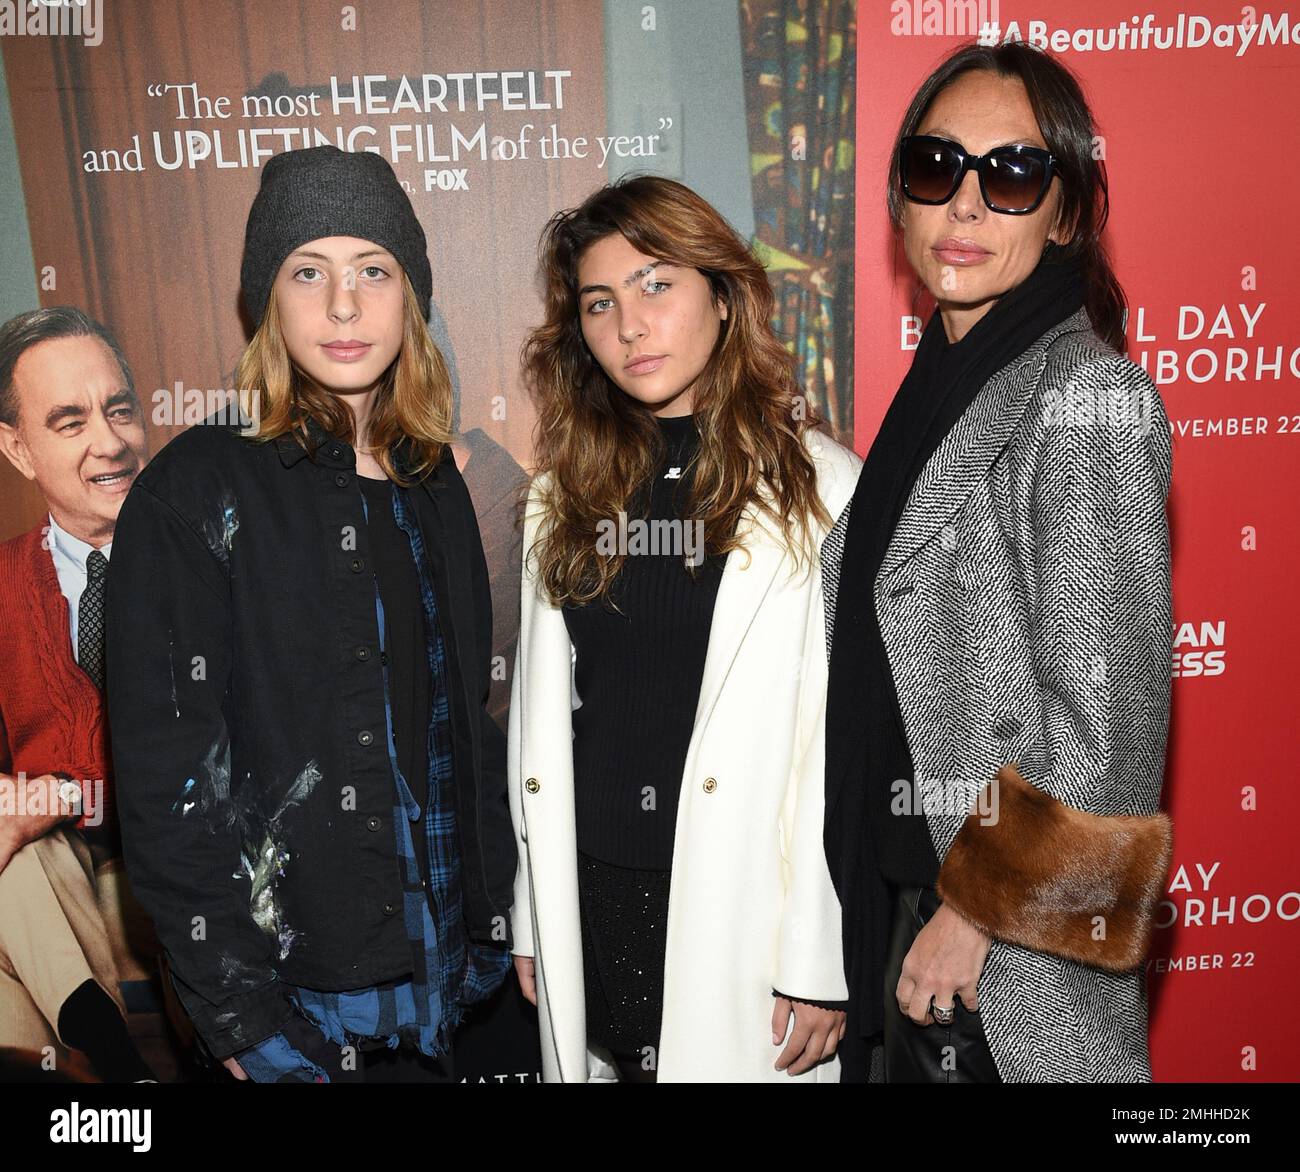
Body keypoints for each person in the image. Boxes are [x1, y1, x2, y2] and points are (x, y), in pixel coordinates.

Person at [105, 145, 515, 1083]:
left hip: (444, 974)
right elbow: (169, 786)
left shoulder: (434, 482)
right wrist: (238, 1011)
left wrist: (500, 919)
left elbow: (462, 726)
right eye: (308, 272)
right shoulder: (194, 488)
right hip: (291, 998)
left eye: (373, 271)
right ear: (267, 301)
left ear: (408, 295)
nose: (342, 305)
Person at [822, 41, 1173, 1083]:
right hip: (901, 915)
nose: (964, 205)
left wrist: (974, 912)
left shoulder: (1084, 397)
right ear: (900, 199)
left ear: (1064, 210)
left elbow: (1108, 730)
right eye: (936, 169)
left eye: (1010, 175)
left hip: (998, 962)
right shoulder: (941, 386)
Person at [509, 175, 861, 1082]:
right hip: (593, 893)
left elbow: (840, 743)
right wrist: (532, 905)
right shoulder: (562, 495)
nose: (629, 324)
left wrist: (818, 954)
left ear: (724, 293)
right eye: (601, 301)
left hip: (744, 904)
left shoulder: (824, 492)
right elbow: (544, 730)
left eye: (657, 284)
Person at [0, 307, 156, 1082]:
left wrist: (60, 793)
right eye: (70, 421)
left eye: (119, 409)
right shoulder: (0, 586)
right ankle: (107, 1063)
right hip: (55, 886)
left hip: (176, 867)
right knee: (13, 855)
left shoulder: (208, 565)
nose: (109, 441)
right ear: (17, 448)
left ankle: (86, 1070)